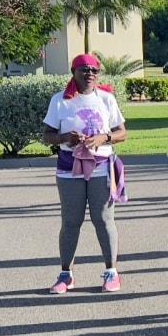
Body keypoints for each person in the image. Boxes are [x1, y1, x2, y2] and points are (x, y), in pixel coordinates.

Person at [41, 54, 128, 294]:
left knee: (103, 218)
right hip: (70, 166)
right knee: (71, 221)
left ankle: (112, 272)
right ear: (73, 72)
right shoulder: (60, 100)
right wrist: (64, 138)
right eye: (84, 70)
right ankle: (66, 274)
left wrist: (104, 137)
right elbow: (46, 135)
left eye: (94, 70)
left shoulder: (106, 99)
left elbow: (122, 132)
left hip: (101, 165)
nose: (90, 74)